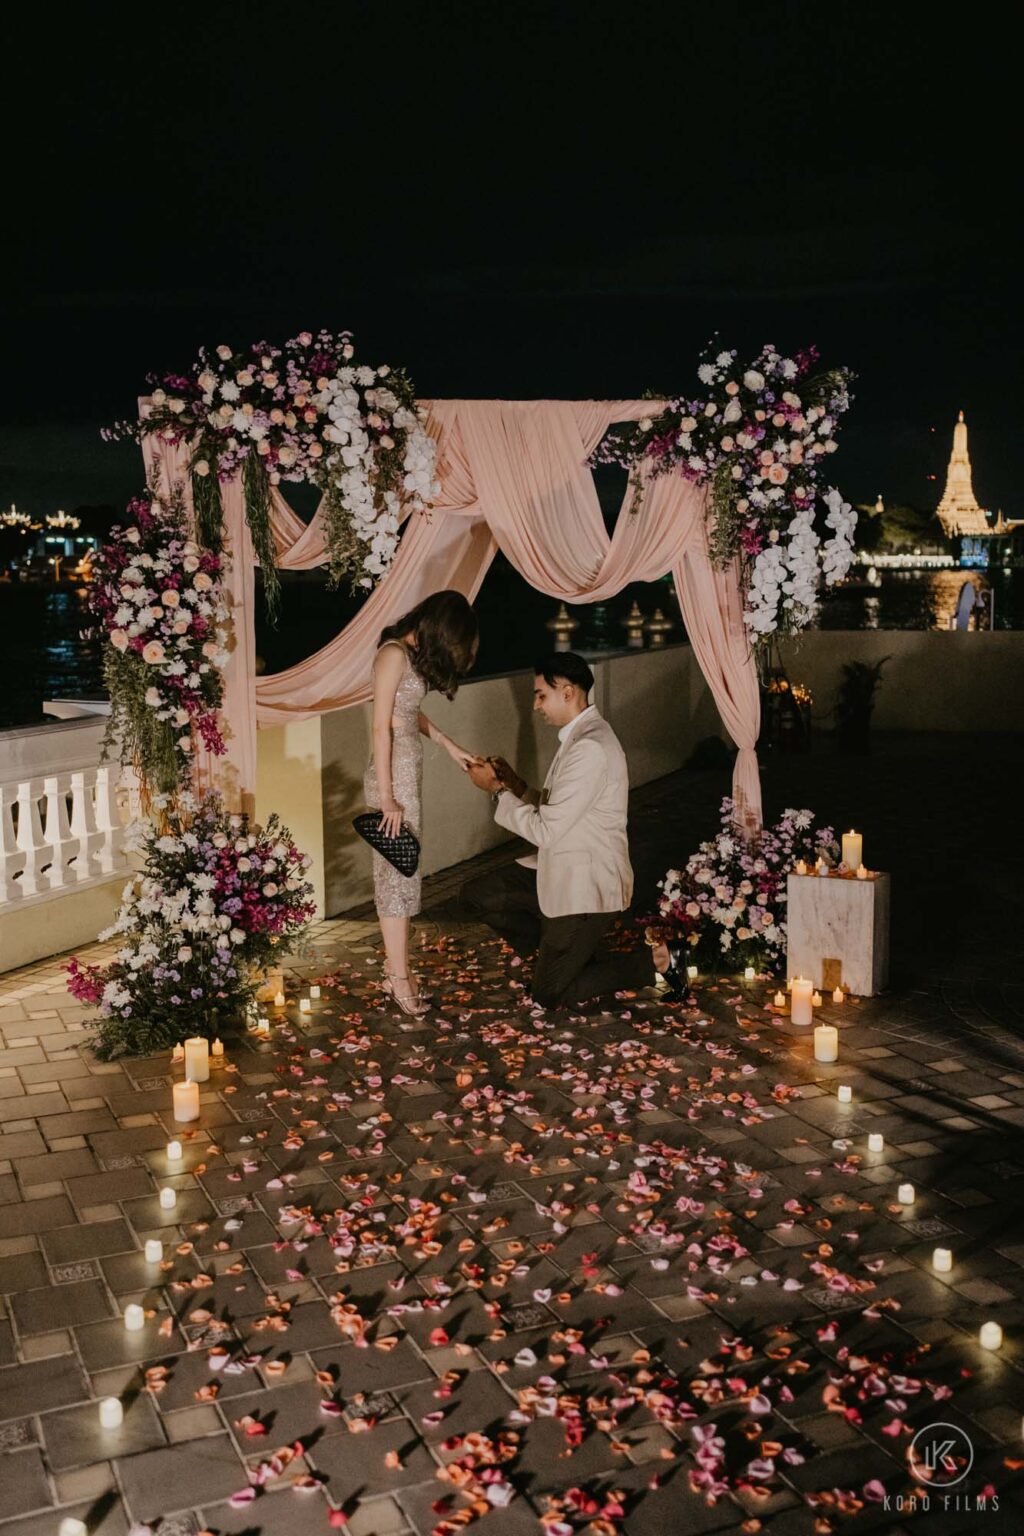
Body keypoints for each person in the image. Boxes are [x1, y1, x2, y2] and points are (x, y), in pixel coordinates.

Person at [462, 652, 681, 1008]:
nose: (535, 706)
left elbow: (545, 831)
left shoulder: (590, 747)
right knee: (478, 895)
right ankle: (562, 956)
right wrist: (516, 785)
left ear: (567, 692)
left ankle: (659, 959)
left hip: (585, 885)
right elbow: (557, 809)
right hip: (559, 868)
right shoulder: (581, 737)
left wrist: (497, 792)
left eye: (540, 695)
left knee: (550, 994)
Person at [364, 590, 480, 1016]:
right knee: (394, 880)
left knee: (405, 874)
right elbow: (380, 727)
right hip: (391, 782)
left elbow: (408, 711)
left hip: (407, 777)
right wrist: (388, 798)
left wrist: (448, 745)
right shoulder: (392, 653)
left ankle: (398, 970)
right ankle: (398, 979)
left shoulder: (409, 655)